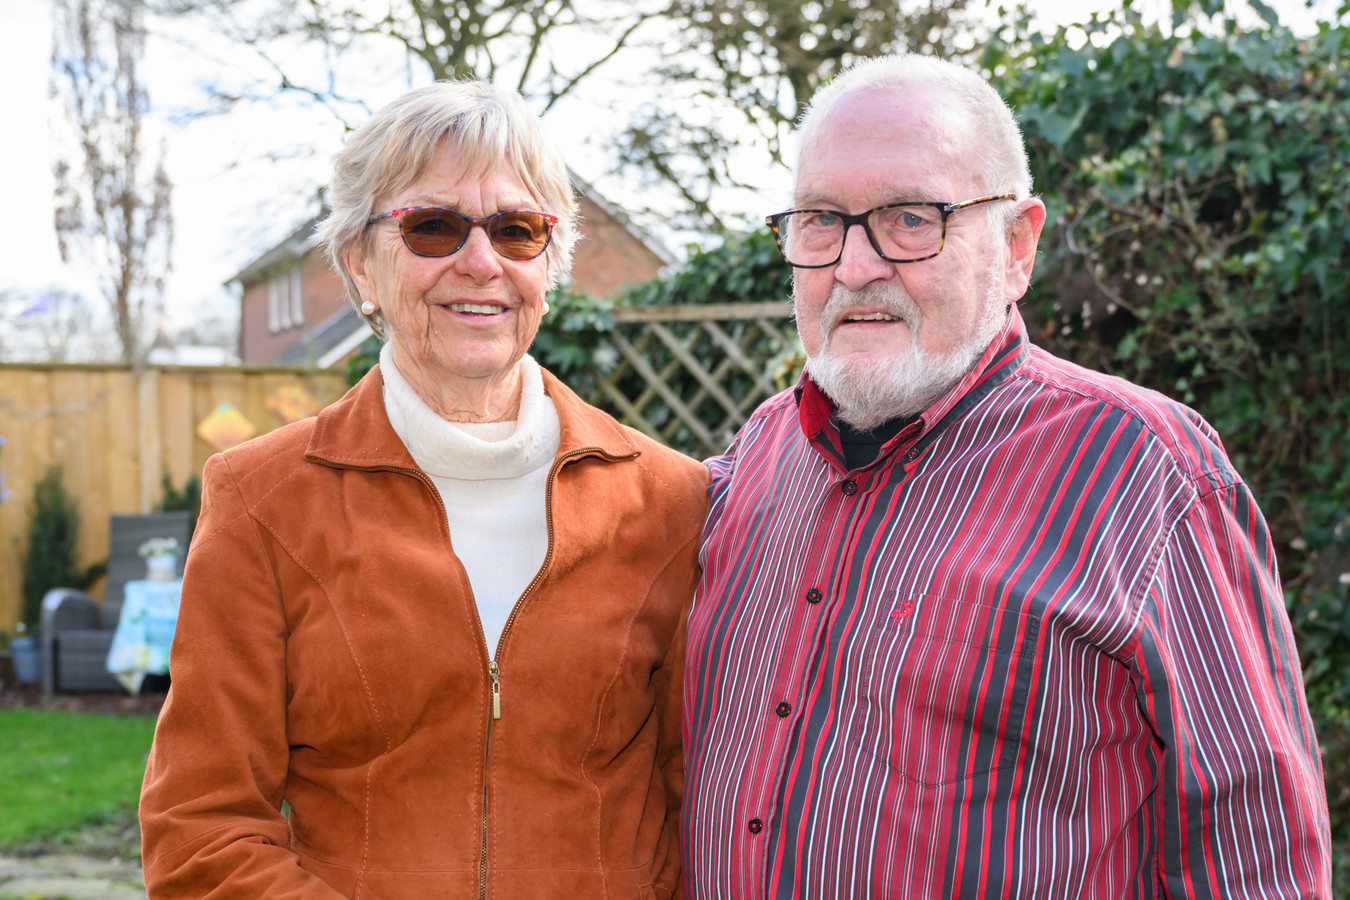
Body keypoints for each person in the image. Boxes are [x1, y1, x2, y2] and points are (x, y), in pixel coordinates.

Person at [682, 54, 1331, 897]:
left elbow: (1257, 855)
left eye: (910, 218)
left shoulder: (1146, 473)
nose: (854, 265)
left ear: (1017, 244)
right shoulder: (754, 461)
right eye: (819, 221)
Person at [140, 80, 707, 899]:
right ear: (359, 263)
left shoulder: (670, 501)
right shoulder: (263, 500)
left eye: (516, 230)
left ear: (549, 263)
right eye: (432, 226)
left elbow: (704, 807)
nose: (481, 262)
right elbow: (200, 828)